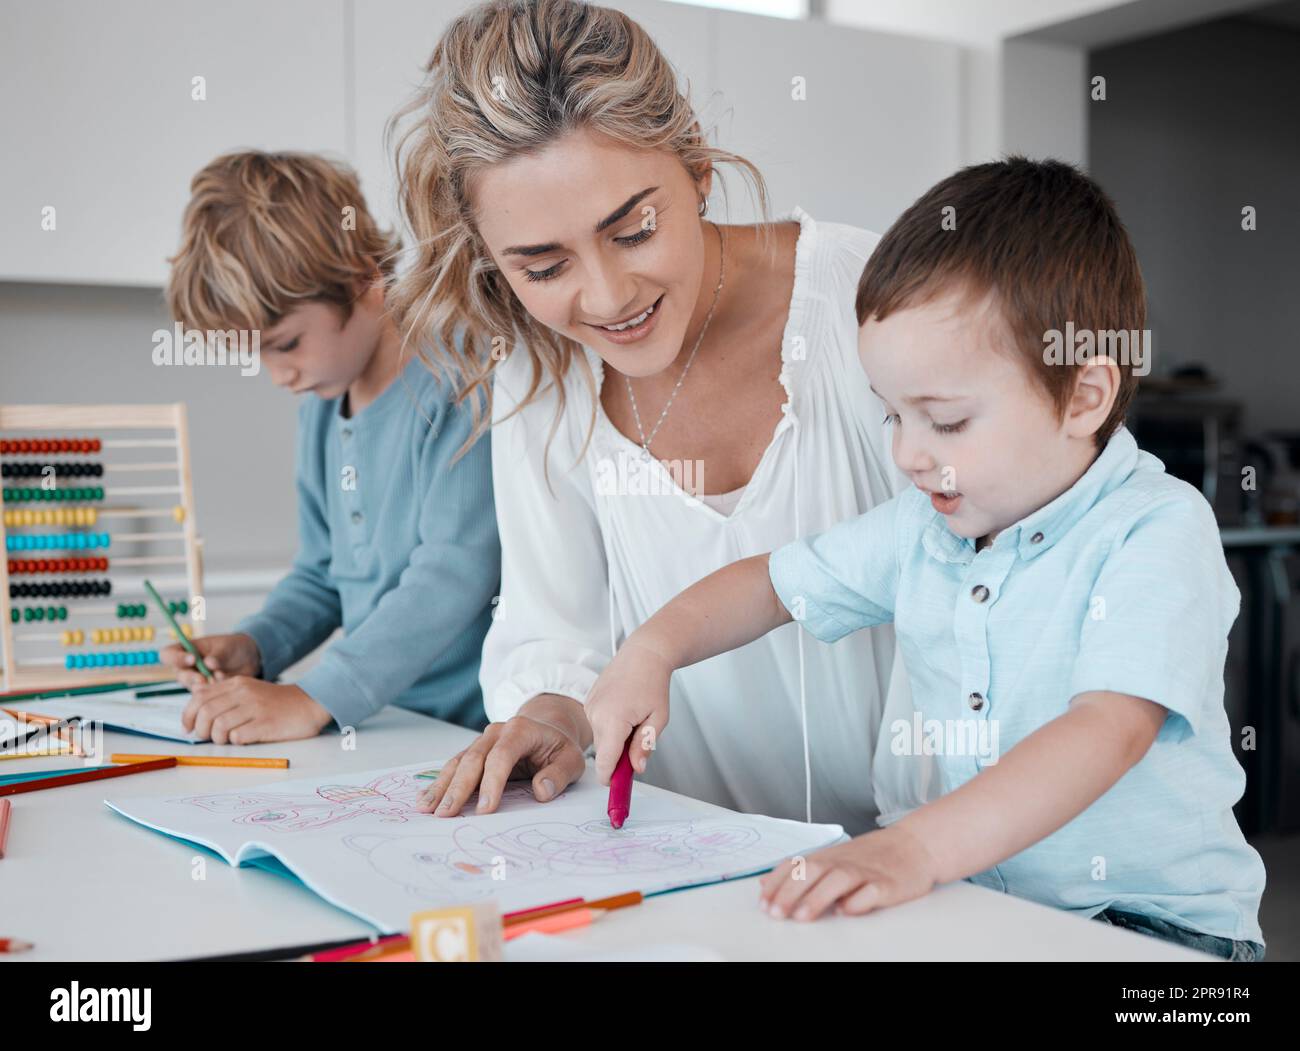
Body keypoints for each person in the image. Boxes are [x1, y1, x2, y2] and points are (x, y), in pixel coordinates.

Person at [582, 158, 1266, 961]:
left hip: (1155, 931)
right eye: (891, 415)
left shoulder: (1154, 530)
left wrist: (915, 849)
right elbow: (772, 582)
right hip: (986, 912)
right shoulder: (925, 527)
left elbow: (1106, 730)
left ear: (1083, 396)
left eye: (944, 421)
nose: (907, 452)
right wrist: (652, 649)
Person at [391, 0, 926, 832]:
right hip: (699, 868)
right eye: (542, 265)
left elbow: (1020, 566)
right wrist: (550, 715)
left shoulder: (873, 297)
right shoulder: (540, 372)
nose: (607, 297)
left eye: (635, 229)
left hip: (942, 864)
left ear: (698, 169)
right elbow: (554, 627)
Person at [162, 150, 499, 743]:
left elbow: (456, 570)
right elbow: (322, 575)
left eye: (286, 344)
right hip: (384, 726)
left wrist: (317, 696)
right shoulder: (323, 408)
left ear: (360, 277)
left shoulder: (459, 375)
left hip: (471, 734)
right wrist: (257, 644)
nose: (278, 376)